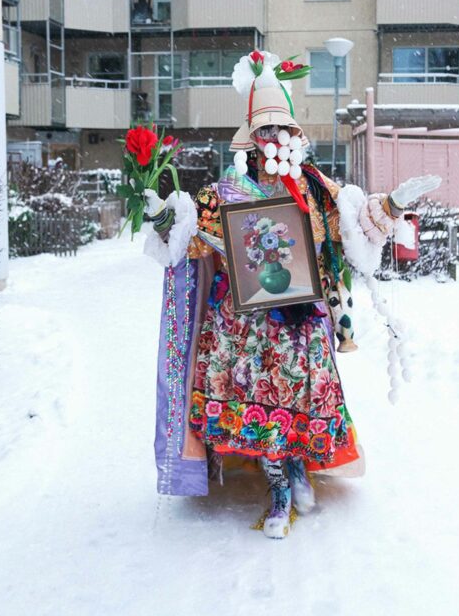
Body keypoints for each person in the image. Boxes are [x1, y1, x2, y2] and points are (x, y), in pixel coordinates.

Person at [143, 51, 438, 539]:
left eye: (281, 128)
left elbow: (357, 227)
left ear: (295, 135)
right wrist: (161, 218)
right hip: (241, 321)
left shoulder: (319, 189)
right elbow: (188, 240)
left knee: (303, 387)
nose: (273, 138)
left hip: (301, 315)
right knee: (253, 391)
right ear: (252, 140)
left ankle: (296, 469)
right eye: (265, 130)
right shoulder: (226, 192)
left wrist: (394, 203)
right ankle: (279, 482)